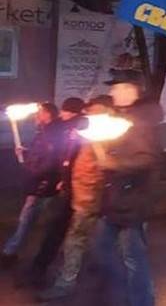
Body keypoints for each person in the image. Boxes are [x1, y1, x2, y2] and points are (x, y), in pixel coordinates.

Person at [96, 70, 162, 306]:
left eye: (116, 87)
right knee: (104, 251)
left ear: (131, 90)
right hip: (117, 200)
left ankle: (140, 301)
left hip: (132, 202)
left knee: (133, 258)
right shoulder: (123, 119)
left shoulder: (139, 123)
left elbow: (146, 160)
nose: (112, 92)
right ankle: (122, 296)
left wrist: (112, 163)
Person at [38, 96, 112, 301]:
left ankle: (66, 283)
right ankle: (105, 277)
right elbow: (74, 159)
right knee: (92, 241)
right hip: (80, 195)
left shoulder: (107, 135)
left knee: (76, 240)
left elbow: (105, 168)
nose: (88, 115)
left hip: (90, 199)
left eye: (94, 111)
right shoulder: (89, 133)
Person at [25, 98, 86, 284]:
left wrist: (64, 178)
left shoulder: (81, 131)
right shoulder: (65, 128)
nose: (61, 114)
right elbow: (61, 156)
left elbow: (73, 159)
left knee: (70, 232)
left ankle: (62, 277)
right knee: (60, 230)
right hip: (68, 186)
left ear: (74, 113)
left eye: (65, 111)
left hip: (78, 188)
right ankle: (41, 268)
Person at [1, 102, 62, 267]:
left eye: (40, 112)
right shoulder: (44, 132)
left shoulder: (52, 134)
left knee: (27, 220)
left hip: (42, 186)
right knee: (28, 220)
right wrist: (25, 152)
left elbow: (49, 163)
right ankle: (12, 251)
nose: (36, 115)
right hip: (39, 184)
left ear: (48, 114)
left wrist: (28, 167)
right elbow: (40, 155)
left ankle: (10, 253)